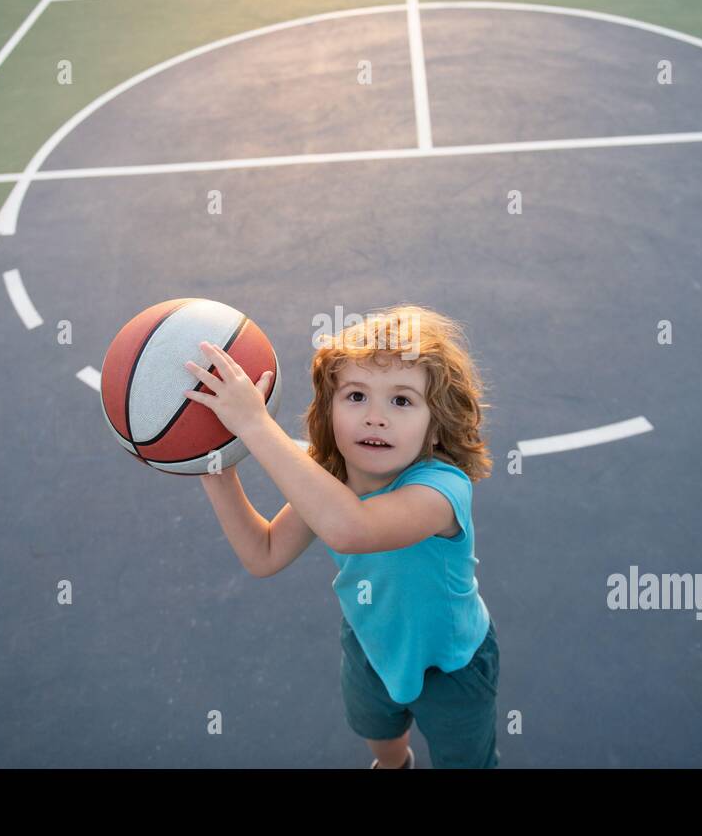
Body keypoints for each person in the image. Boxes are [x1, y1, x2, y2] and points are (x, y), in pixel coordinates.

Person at [187, 304, 498, 768]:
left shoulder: (441, 490)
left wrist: (253, 423)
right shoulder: (331, 479)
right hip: (370, 644)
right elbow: (264, 553)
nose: (375, 417)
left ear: (436, 428)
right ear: (328, 410)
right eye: (355, 396)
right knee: (379, 732)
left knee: (465, 761)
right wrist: (213, 465)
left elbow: (351, 528)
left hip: (451, 666)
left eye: (401, 401)